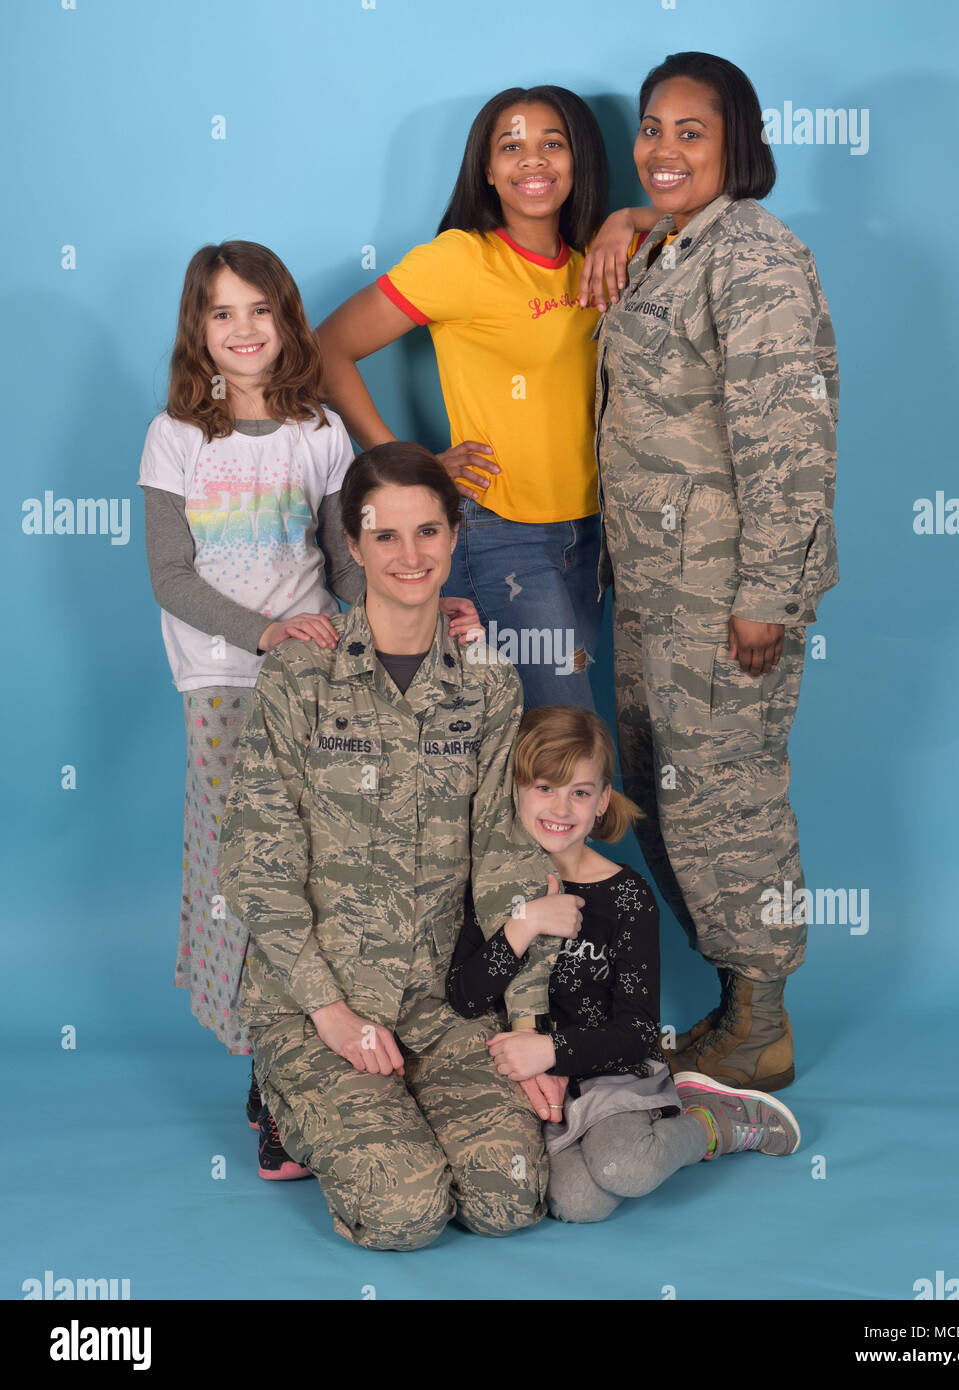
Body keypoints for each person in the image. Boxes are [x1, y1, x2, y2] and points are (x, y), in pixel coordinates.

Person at [137, 241, 480, 1175]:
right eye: (222, 313)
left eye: (261, 310)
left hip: (315, 675)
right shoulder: (175, 434)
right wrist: (263, 633)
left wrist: (419, 606)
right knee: (247, 870)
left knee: (321, 864)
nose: (244, 330)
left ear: (288, 321)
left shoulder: (321, 429)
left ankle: (298, 1074)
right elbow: (171, 575)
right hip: (221, 678)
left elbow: (342, 565)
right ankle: (264, 1073)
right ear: (197, 332)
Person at [218, 441, 585, 1249]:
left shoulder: (489, 687)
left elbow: (508, 862)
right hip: (318, 1001)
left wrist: (527, 1026)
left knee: (509, 1199)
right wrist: (329, 1012)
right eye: (385, 535)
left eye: (428, 532)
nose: (409, 555)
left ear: (456, 536)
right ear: (352, 544)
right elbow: (257, 857)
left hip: (444, 999)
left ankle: (408, 1107)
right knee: (406, 1212)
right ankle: (287, 1094)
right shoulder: (300, 677)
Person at [590, 53, 839, 1091]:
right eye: (650, 128)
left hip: (724, 599)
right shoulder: (674, 246)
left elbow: (788, 440)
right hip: (654, 593)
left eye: (690, 131)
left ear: (738, 142)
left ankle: (760, 1022)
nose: (661, 148)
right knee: (663, 793)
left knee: (727, 806)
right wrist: (625, 222)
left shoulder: (756, 257)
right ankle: (736, 1006)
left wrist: (765, 597)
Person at [317, 87, 656, 712]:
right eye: (512, 147)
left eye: (551, 144)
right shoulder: (461, 260)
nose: (533, 161)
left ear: (577, 159)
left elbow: (705, 221)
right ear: (488, 170)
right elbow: (326, 350)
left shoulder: (602, 257)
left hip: (594, 535)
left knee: (546, 743)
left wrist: (627, 219)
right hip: (501, 533)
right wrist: (404, 464)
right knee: (562, 731)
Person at [446, 705, 801, 1224]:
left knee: (624, 1168)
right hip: (537, 1092)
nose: (561, 807)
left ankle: (712, 1122)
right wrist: (524, 925)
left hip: (609, 1073)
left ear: (601, 801)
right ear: (516, 790)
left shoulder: (628, 896)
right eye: (545, 787)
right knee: (575, 1204)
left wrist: (551, 1048)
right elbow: (464, 995)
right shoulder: (493, 886)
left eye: (580, 792)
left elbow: (637, 1032)